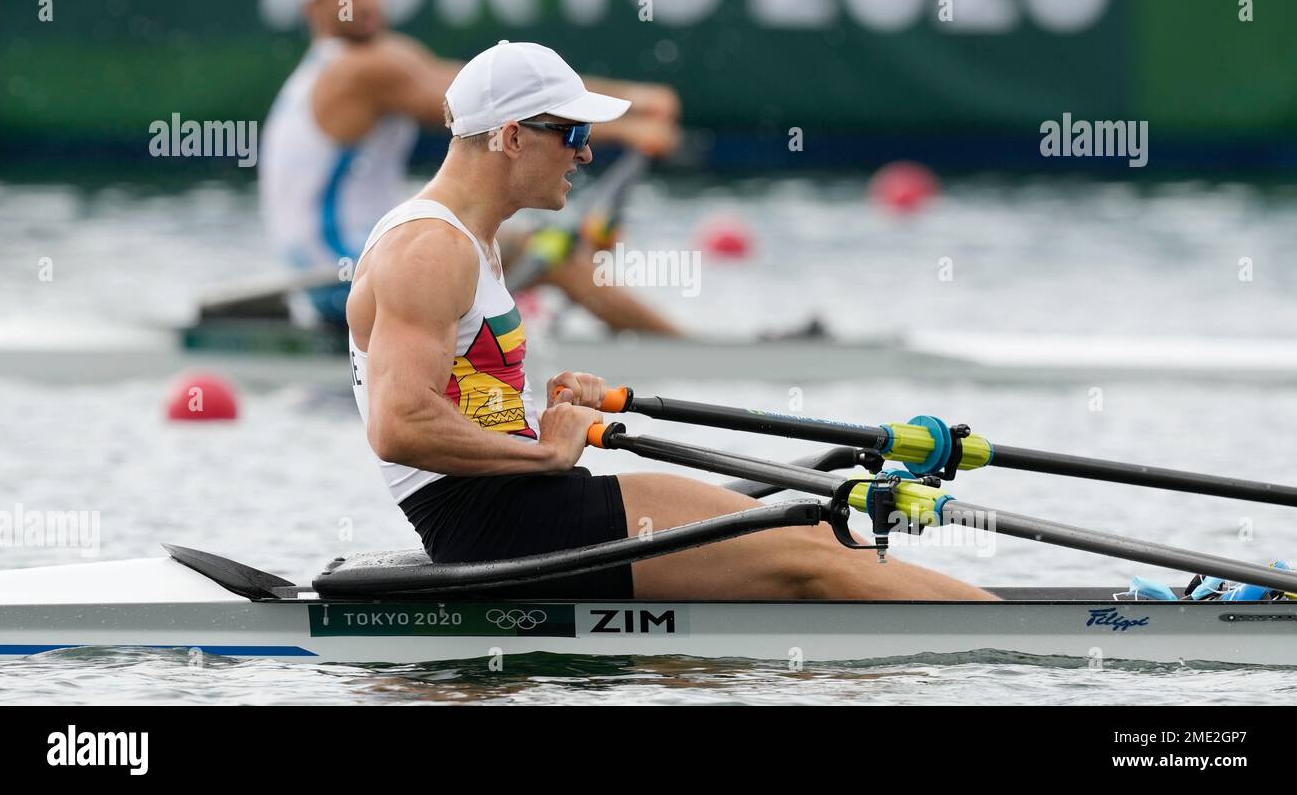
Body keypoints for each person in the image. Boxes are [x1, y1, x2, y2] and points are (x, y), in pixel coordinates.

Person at [345, 39, 995, 602]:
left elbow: (458, 391)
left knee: (796, 556)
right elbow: (400, 423)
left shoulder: (466, 239)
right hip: (502, 523)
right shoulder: (429, 249)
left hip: (516, 507)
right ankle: (1026, 637)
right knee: (806, 549)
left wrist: (540, 418)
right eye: (573, 134)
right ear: (512, 137)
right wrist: (543, 451)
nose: (587, 154)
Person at [257, 0, 683, 332]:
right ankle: (687, 352)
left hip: (341, 268)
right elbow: (494, 103)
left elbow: (467, 79)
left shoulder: (356, 62)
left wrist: (634, 101)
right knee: (555, 254)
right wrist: (630, 123)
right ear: (312, 7)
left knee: (544, 244)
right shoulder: (360, 71)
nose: (367, 2)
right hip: (344, 277)